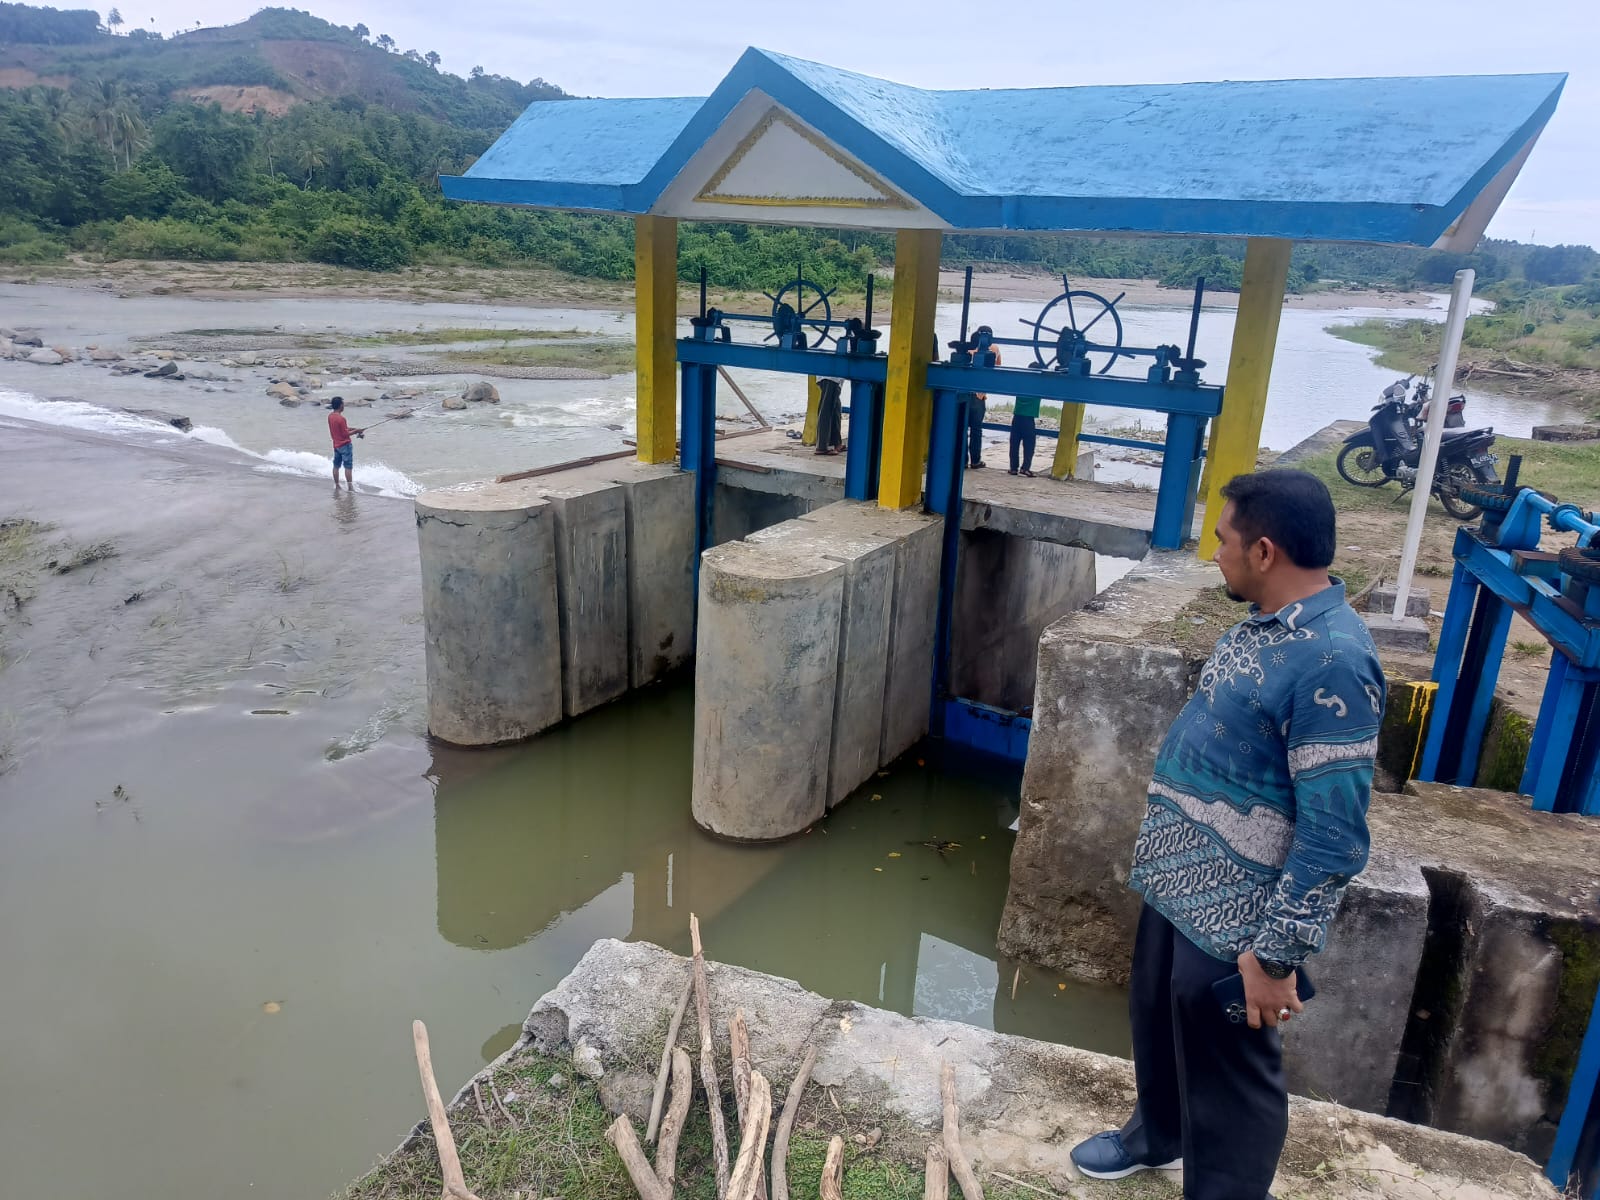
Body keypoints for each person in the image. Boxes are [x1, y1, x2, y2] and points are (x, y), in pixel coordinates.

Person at [1070, 469, 1385, 1200]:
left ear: (1265, 551)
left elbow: (1334, 834)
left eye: (1223, 541)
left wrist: (1275, 957)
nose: (1215, 555)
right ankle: (1158, 1135)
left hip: (1241, 913)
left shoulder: (1336, 663)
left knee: (1231, 1069)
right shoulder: (1267, 623)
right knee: (1157, 1013)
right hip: (1181, 880)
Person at [967, 326, 1000, 469]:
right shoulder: (995, 349)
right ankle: (975, 460)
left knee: (962, 429)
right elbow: (997, 369)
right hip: (979, 396)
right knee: (976, 430)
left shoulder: (969, 349)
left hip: (964, 393)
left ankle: (962, 460)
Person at [327, 396, 364, 490]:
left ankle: (337, 485)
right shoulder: (341, 418)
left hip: (336, 445)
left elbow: (342, 429)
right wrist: (356, 431)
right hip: (345, 445)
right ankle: (350, 487)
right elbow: (345, 434)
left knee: (336, 466)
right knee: (348, 467)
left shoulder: (330, 416)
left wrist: (354, 429)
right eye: (343, 404)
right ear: (340, 406)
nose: (344, 406)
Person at [1009, 395, 1040, 476]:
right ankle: (1025, 468)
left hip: (1017, 416)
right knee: (1029, 445)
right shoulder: (1036, 391)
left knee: (1014, 444)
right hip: (1029, 418)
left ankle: (1013, 468)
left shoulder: (1020, 390)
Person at [814, 377, 845, 456]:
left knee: (836, 410)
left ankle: (836, 442)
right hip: (831, 378)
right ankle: (821, 446)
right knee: (826, 411)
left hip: (834, 378)